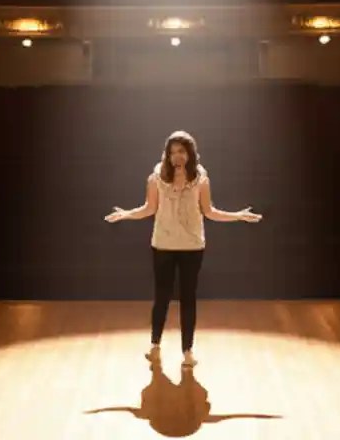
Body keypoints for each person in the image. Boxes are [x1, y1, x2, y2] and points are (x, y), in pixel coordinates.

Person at [104, 130, 263, 368]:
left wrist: (237, 216)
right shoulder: (156, 177)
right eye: (172, 152)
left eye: (181, 151)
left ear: (190, 153)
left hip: (191, 245)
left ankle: (187, 350)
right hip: (163, 244)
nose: (176, 157)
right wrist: (126, 214)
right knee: (162, 296)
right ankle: (155, 346)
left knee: (188, 298)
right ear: (167, 155)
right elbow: (149, 208)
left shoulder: (201, 179)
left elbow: (209, 212)